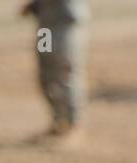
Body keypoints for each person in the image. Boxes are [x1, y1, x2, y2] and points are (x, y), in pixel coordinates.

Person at [21, 0, 89, 145]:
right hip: (46, 29)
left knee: (65, 73)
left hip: (64, 26)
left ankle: (73, 125)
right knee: (46, 75)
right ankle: (59, 123)